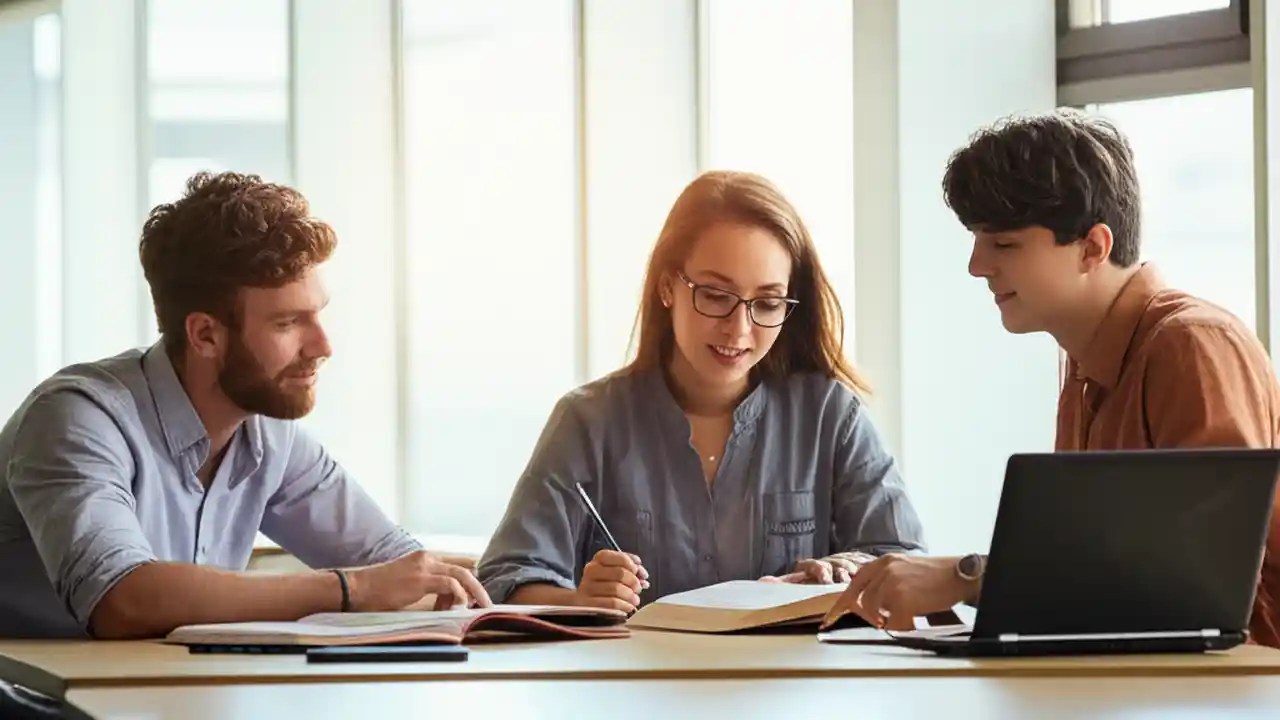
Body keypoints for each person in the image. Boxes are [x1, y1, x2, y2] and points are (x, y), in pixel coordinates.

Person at [821, 109, 1280, 647]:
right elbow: (1100, 570)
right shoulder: (1084, 361)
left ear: (1093, 247)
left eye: (1004, 244)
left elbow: (1202, 587)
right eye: (977, 239)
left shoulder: (1192, 344)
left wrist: (966, 579)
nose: (976, 265)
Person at [0, 171, 489, 639]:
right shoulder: (76, 419)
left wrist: (529, 585)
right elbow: (121, 600)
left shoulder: (267, 436)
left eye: (317, 315)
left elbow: (402, 571)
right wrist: (351, 590)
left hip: (169, 696)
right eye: (287, 323)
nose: (322, 346)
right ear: (205, 334)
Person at [477, 170, 925, 613]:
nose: (739, 329)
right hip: (630, 683)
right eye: (715, 295)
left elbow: (905, 559)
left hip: (791, 682)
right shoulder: (589, 421)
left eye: (767, 303)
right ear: (668, 286)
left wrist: (846, 566)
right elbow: (505, 577)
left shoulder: (830, 415)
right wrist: (578, 600)